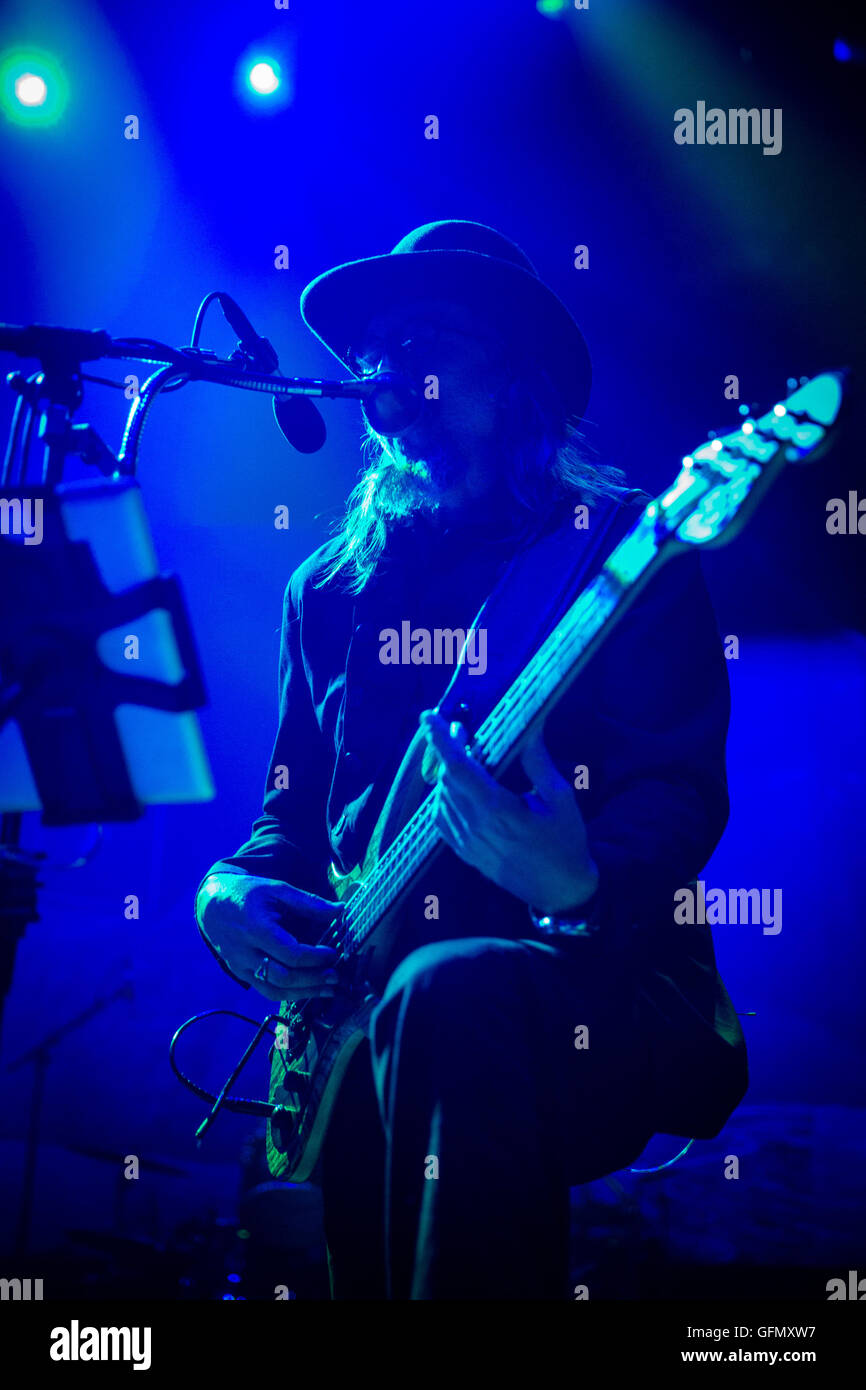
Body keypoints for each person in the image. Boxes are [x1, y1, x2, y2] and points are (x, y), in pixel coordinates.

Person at [194, 220, 748, 1300]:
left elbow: (673, 789)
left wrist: (577, 880)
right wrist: (231, 889)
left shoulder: (615, 554)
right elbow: (290, 817)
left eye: (430, 340)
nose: (392, 373)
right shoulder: (326, 589)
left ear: (519, 379)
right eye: (379, 349)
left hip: (587, 985)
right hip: (349, 1017)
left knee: (451, 988)